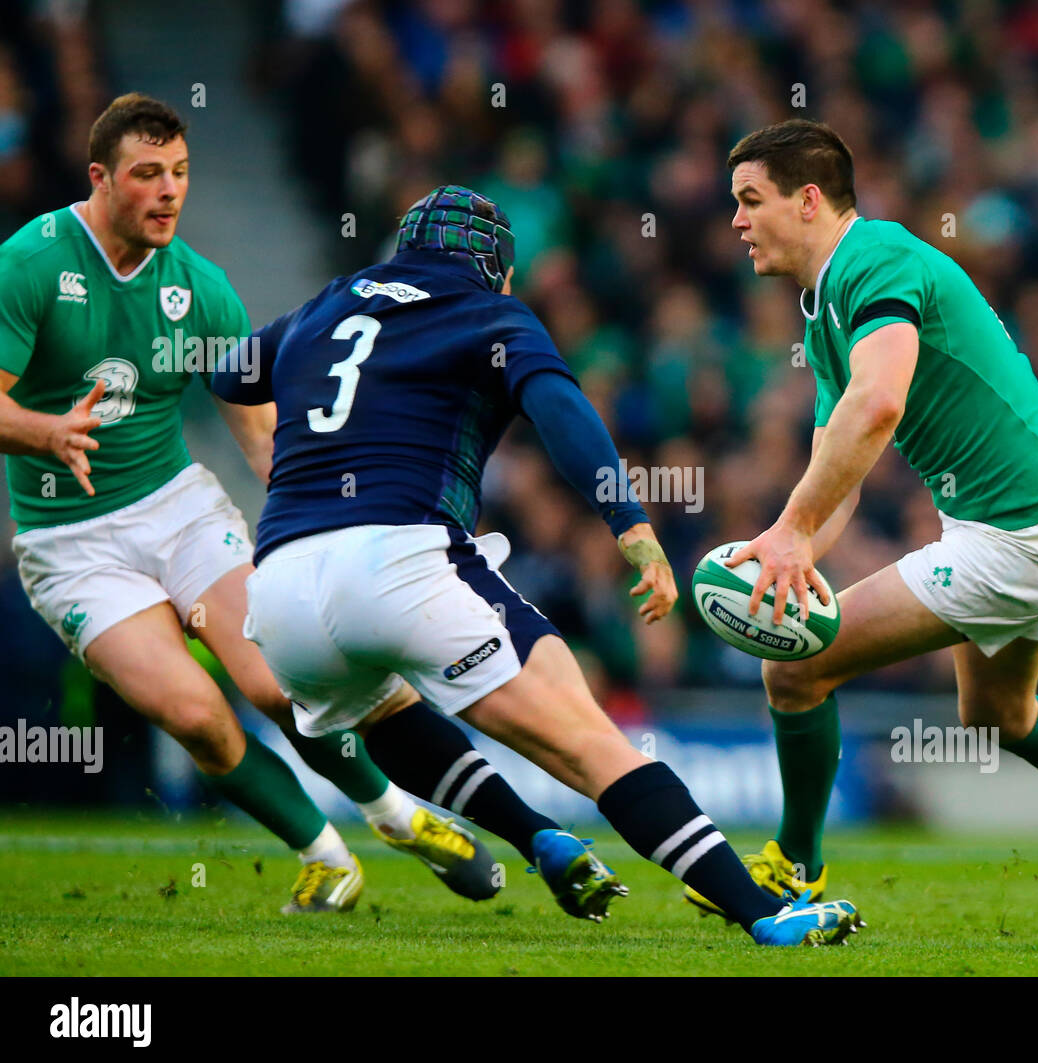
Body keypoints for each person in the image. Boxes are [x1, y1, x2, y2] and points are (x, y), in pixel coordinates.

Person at [212, 185, 862, 945]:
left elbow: (228, 373)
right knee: (594, 745)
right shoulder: (489, 309)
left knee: (386, 709)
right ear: (497, 268)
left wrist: (271, 458)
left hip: (282, 583)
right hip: (399, 558)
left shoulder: (327, 303)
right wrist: (631, 524)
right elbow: (560, 407)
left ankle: (533, 834)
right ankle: (763, 912)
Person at [0, 92, 516, 913]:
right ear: (99, 178)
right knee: (197, 714)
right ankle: (325, 855)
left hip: (179, 509)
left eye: (180, 173)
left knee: (282, 684)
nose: (169, 191)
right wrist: (42, 433)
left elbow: (262, 436)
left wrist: (334, 516)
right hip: (70, 540)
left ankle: (397, 815)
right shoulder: (29, 264)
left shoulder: (202, 291)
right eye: (147, 175)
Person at [689, 119, 1038, 931]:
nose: (738, 220)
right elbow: (841, 467)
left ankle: (794, 865)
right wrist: (786, 553)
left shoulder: (874, 260)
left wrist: (792, 531)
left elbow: (882, 401)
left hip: (1013, 539)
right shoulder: (828, 300)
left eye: (751, 200)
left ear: (809, 199)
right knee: (999, 714)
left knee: (795, 671)